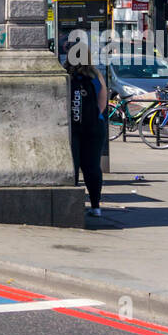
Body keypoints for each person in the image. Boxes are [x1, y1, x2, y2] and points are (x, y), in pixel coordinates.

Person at [67, 60, 108, 218]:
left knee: (73, 165)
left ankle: (72, 205)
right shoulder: (95, 75)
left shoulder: (66, 74)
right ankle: (96, 206)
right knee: (92, 167)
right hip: (94, 127)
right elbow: (102, 102)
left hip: (73, 127)